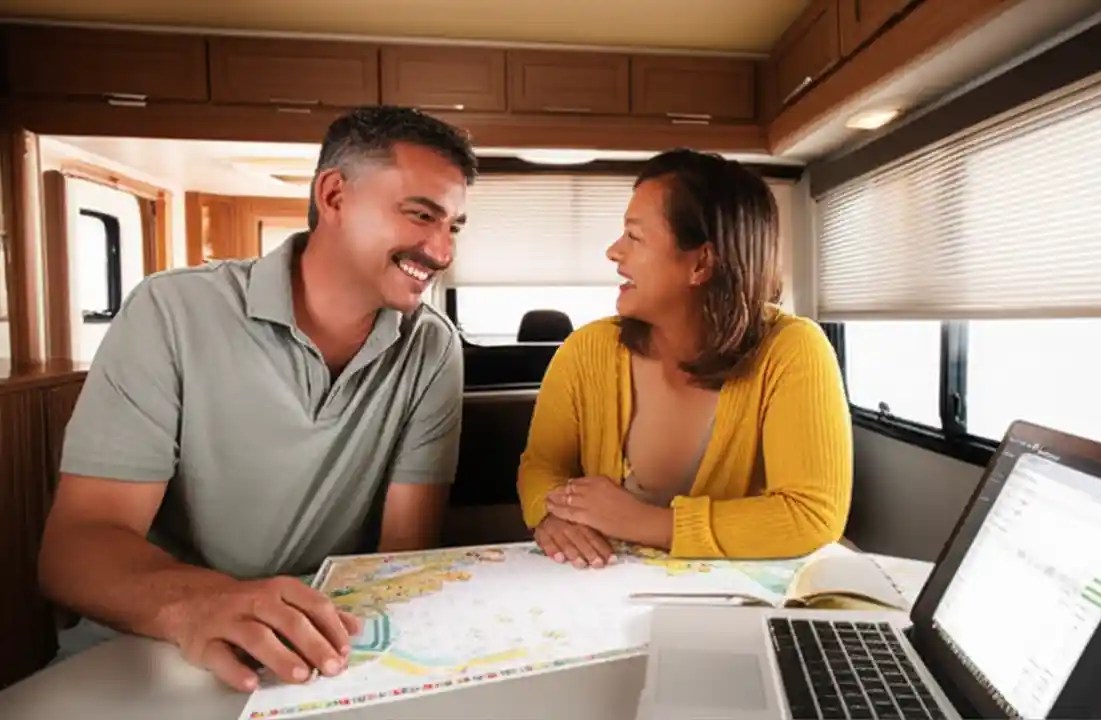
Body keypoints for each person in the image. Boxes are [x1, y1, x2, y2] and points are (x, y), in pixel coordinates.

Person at [38, 106, 475, 692]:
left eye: (454, 227)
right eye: (422, 215)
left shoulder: (432, 348)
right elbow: (75, 550)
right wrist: (205, 605)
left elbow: (400, 559)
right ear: (334, 195)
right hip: (153, 643)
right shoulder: (172, 312)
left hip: (316, 652)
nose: (441, 251)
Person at [516, 149, 853, 569]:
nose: (612, 251)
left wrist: (647, 523)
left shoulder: (793, 350)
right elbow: (542, 465)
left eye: (634, 237)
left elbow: (812, 516)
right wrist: (551, 513)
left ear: (701, 263)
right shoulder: (586, 350)